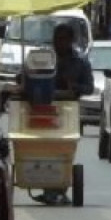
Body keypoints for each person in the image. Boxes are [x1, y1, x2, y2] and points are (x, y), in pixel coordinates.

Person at [30, 23, 93, 205]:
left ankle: (58, 187)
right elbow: (28, 77)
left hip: (68, 113)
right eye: (57, 39)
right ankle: (47, 186)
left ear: (71, 41)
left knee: (63, 149)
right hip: (43, 110)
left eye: (64, 39)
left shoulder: (80, 62)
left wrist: (75, 87)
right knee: (43, 148)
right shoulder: (43, 58)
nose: (60, 43)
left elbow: (89, 87)